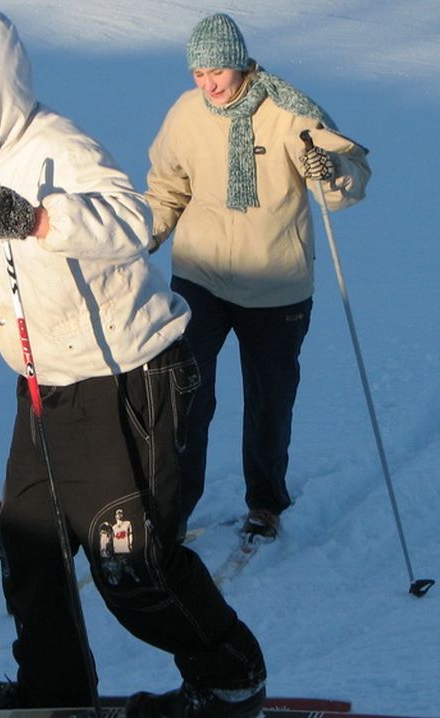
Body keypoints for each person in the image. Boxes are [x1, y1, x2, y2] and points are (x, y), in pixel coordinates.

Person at [0, 5, 266, 717]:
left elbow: (131, 222)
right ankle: (53, 690)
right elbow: (13, 251)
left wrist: (41, 219)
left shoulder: (61, 147)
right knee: (28, 548)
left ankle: (230, 679)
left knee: (132, 564)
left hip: (124, 381)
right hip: (45, 387)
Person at [145, 13, 372, 541]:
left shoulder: (290, 111)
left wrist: (330, 172)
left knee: (269, 400)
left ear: (239, 61)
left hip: (276, 285)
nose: (208, 83)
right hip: (200, 279)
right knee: (186, 399)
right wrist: (143, 238)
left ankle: (265, 503)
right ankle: (172, 511)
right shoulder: (185, 114)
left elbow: (351, 181)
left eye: (216, 70)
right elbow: (166, 189)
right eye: (198, 73)